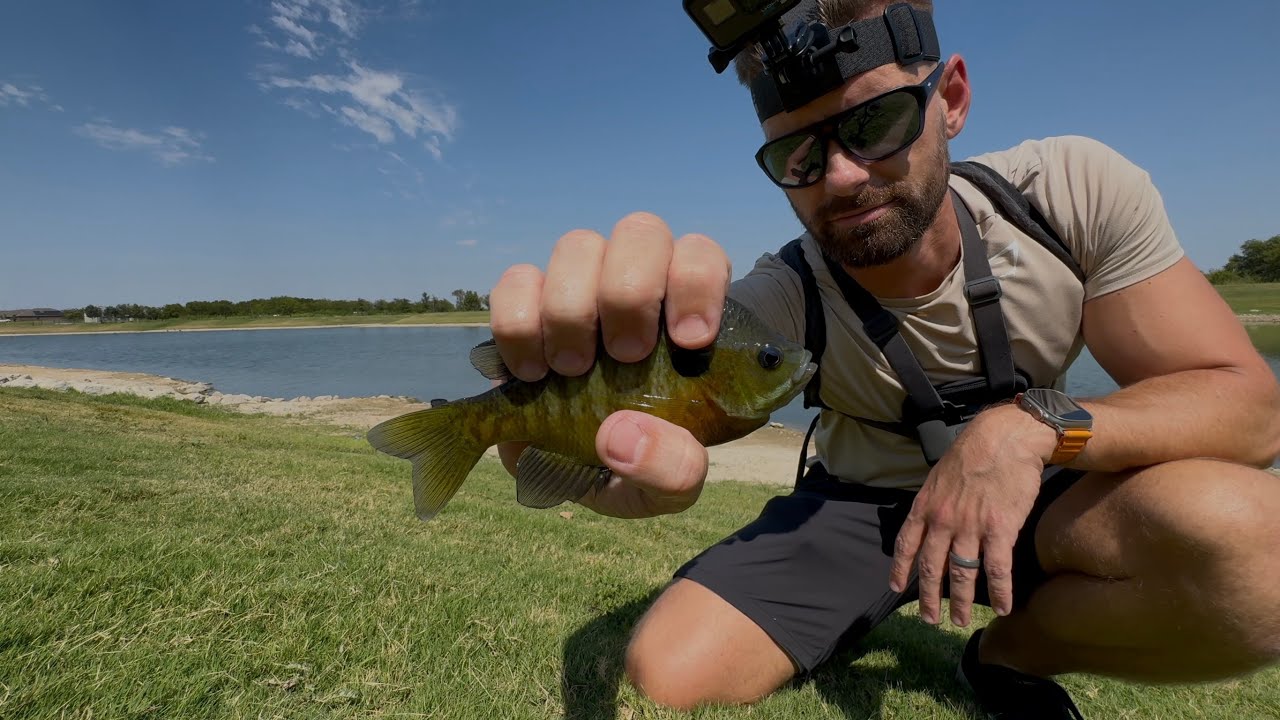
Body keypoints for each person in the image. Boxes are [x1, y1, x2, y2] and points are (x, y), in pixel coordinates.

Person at [487, 1, 1280, 717]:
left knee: (1262, 553)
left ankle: (1006, 657)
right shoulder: (781, 299)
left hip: (1036, 489)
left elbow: (1249, 407)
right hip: (853, 508)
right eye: (797, 156)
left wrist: (1027, 428)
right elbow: (677, 374)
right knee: (668, 674)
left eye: (875, 122)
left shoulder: (1068, 194)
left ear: (951, 99)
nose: (839, 176)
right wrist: (559, 441)